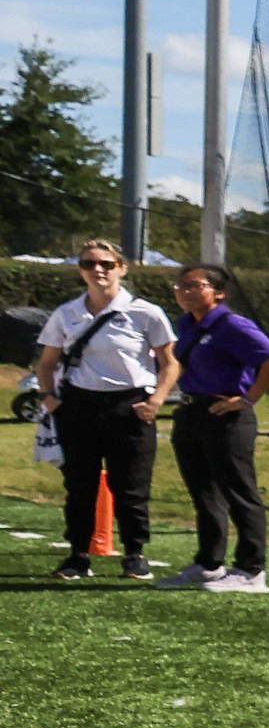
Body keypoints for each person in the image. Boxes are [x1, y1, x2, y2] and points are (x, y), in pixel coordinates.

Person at [30, 242, 173, 582]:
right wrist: (50, 399)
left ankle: (135, 554)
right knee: (80, 485)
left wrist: (156, 400)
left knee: (131, 485)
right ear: (81, 270)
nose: (98, 270)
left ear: (122, 268)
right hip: (79, 405)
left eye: (107, 264)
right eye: (89, 263)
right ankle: (78, 555)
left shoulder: (146, 312)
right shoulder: (66, 313)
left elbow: (169, 363)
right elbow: (46, 363)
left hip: (130, 406)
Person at [163, 263, 269, 593]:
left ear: (218, 293)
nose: (185, 292)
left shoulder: (232, 324)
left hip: (226, 416)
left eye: (195, 285)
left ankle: (251, 569)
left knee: (239, 491)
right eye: (180, 286)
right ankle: (208, 564)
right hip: (192, 411)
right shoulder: (186, 323)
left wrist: (247, 399)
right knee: (204, 492)